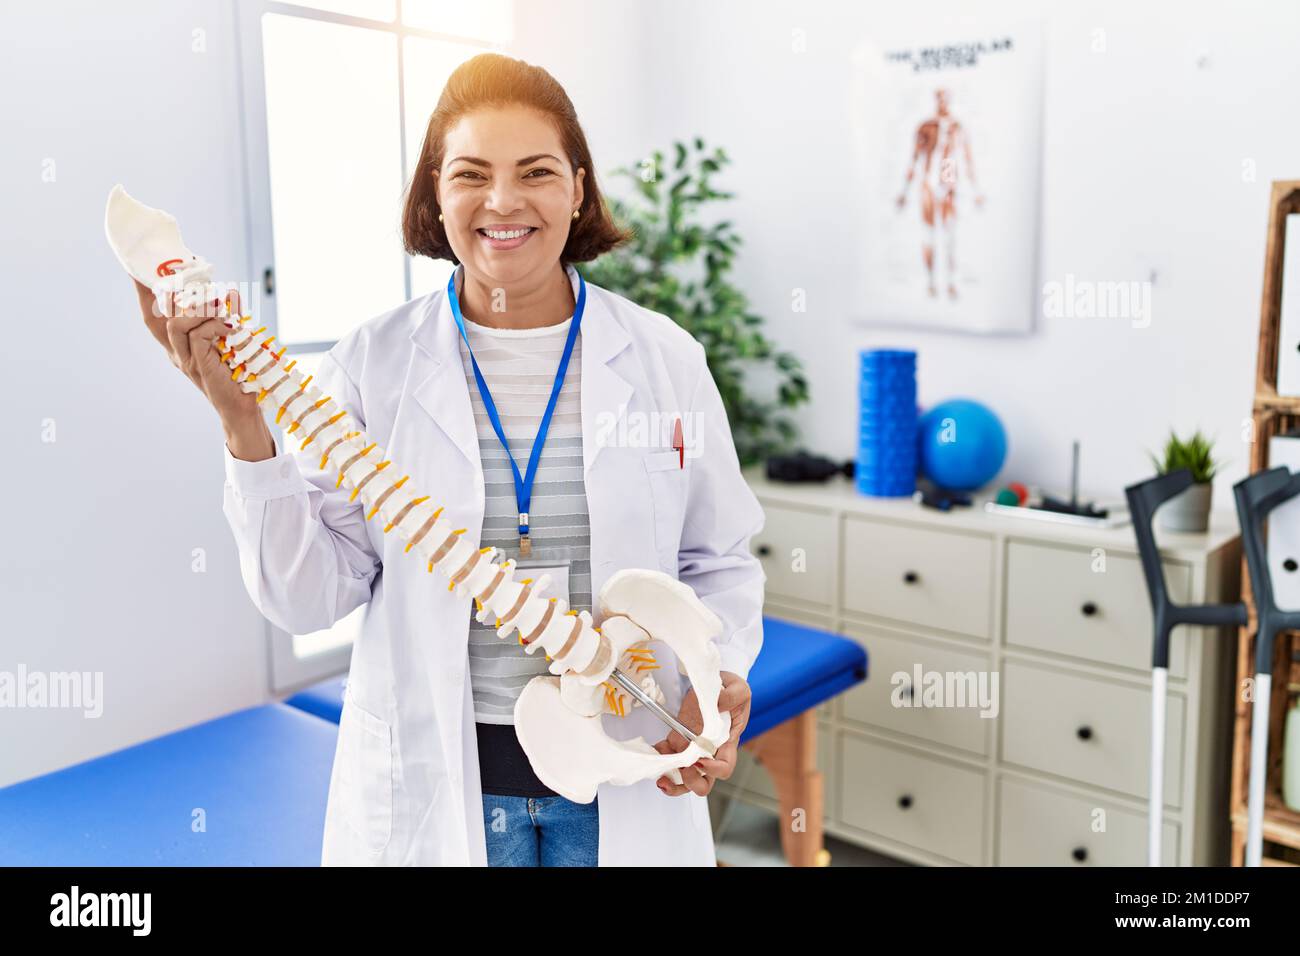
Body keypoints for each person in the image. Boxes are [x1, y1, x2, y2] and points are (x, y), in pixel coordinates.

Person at [130, 52, 765, 866]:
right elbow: (307, 595)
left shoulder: (663, 359)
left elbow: (718, 562)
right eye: (471, 174)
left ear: (577, 187)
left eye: (535, 172)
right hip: (445, 787)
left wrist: (713, 682)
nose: (503, 201)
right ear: (437, 192)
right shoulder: (372, 364)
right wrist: (243, 424)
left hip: (625, 779)